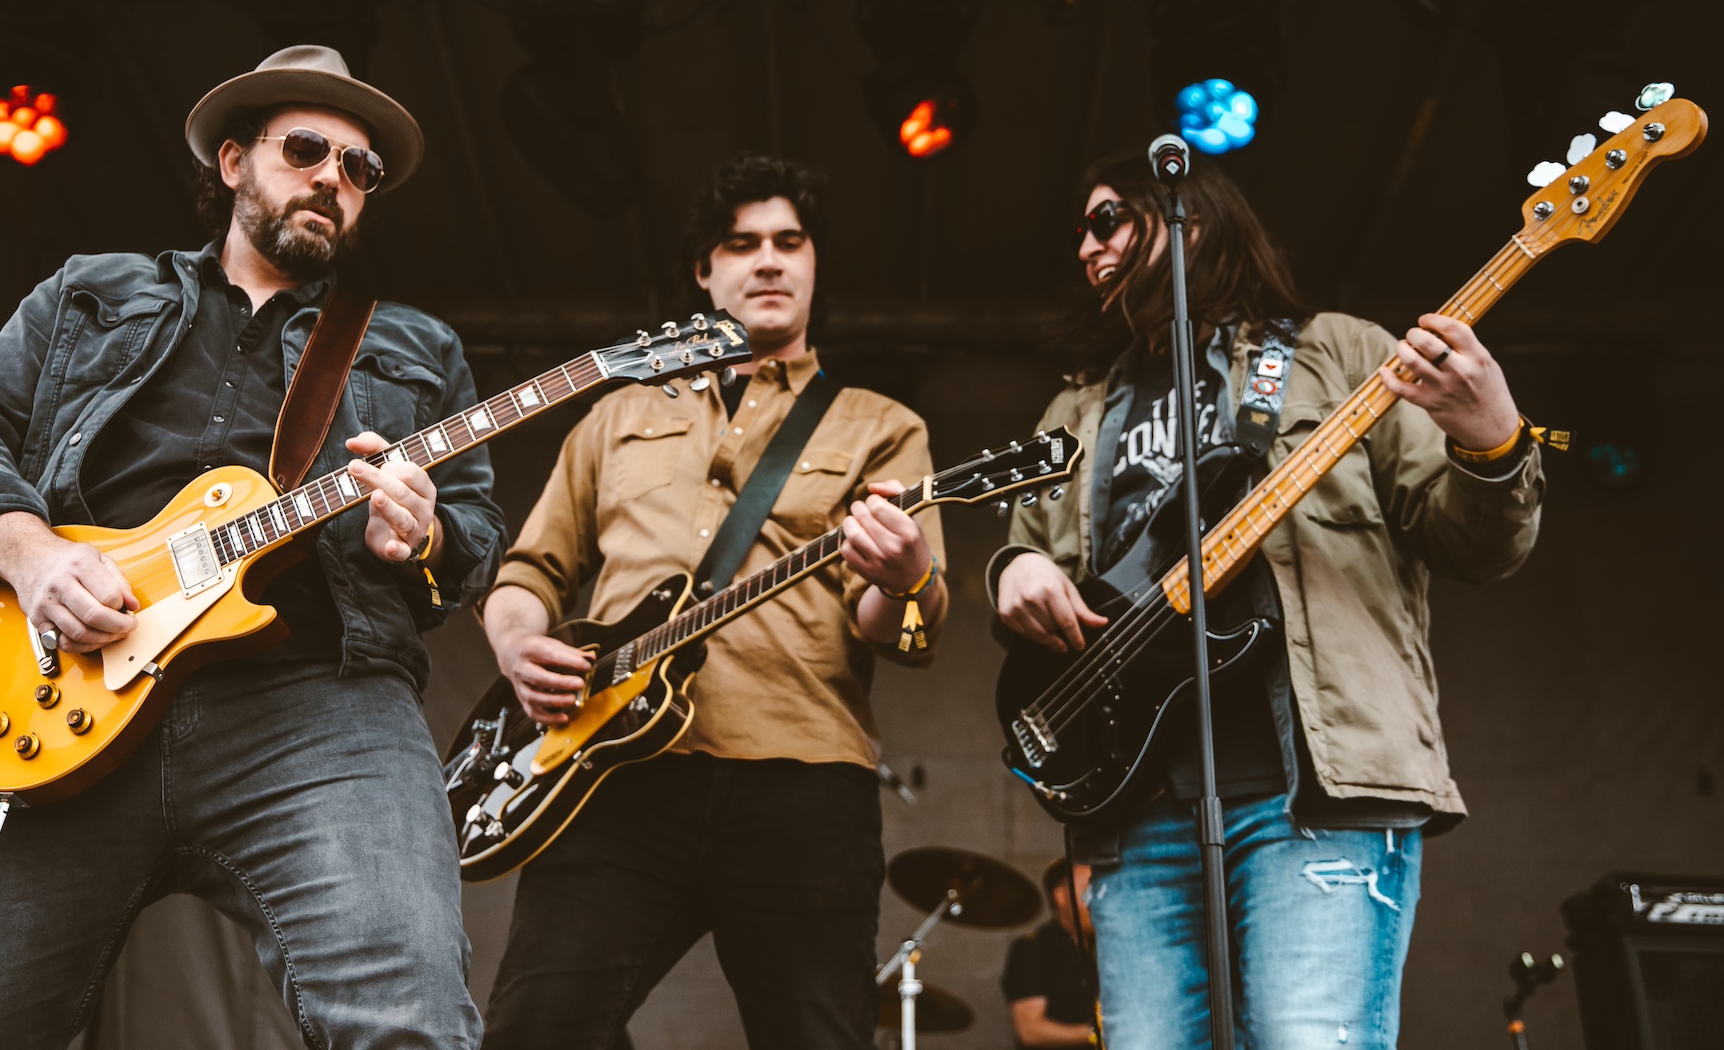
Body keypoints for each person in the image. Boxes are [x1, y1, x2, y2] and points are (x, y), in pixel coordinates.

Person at [0, 46, 505, 1049]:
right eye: (307, 149)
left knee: (412, 1021)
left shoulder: (417, 347)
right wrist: (32, 555)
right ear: (231, 161)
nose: (333, 180)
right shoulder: (90, 291)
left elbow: (470, 535)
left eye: (360, 170)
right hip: (68, 679)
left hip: (321, 701)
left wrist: (423, 533)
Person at [989, 152, 1544, 1049]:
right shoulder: (1077, 408)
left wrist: (1491, 440)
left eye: (1107, 222)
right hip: (1134, 810)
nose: (1086, 248)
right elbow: (1037, 552)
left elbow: (1479, 544)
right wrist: (1015, 572)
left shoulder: (1338, 353)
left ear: (1189, 220)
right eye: (1079, 233)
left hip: (1311, 797)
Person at [478, 154, 949, 1049]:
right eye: (742, 244)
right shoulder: (618, 415)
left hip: (801, 784)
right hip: (610, 777)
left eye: (789, 242)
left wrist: (906, 577)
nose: (768, 260)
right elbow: (531, 570)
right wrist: (515, 645)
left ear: (814, 263)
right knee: (533, 1030)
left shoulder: (881, 426)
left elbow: (900, 631)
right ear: (704, 271)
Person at [1000, 857, 1099, 1049]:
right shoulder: (1032, 949)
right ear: (1061, 896)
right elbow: (1030, 1030)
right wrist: (1099, 1032)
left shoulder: (1106, 946)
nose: (1099, 900)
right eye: (1090, 890)